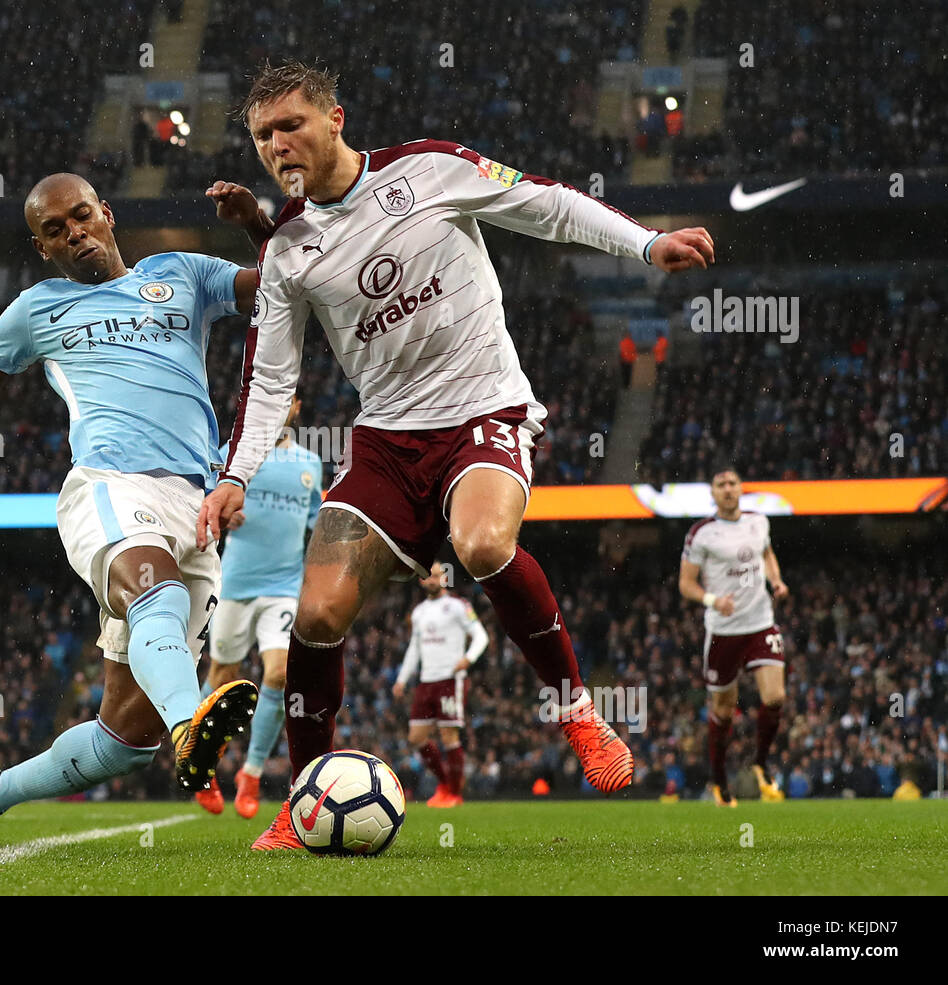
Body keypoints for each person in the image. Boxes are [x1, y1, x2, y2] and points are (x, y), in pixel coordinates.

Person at [197, 61, 716, 849]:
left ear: (336, 119)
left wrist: (648, 245)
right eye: (263, 135)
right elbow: (270, 380)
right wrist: (235, 476)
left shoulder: (430, 168)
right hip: (385, 439)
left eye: (291, 124)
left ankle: (579, 713)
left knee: (481, 543)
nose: (277, 143)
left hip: (484, 410)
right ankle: (305, 802)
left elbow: (547, 205)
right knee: (316, 613)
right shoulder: (289, 252)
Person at [0, 173, 262, 847]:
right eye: (56, 229)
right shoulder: (38, 309)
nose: (75, 233)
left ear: (107, 214)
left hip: (196, 504)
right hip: (111, 486)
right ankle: (191, 725)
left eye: (82, 216)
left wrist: (256, 225)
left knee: (123, 739)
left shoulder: (184, 273)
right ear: (43, 247)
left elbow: (281, 285)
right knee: (155, 591)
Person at [195, 395, 322, 817]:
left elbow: (313, 526)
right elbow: (201, 506)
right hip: (234, 582)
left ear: (296, 408)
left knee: (281, 671)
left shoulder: (309, 463)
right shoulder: (231, 456)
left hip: (283, 586)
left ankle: (250, 774)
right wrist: (220, 516)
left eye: (286, 400)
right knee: (221, 675)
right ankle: (203, 763)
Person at [678, 466, 789, 806]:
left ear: (741, 489)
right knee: (724, 712)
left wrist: (776, 581)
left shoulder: (759, 521)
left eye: (732, 483)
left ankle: (760, 763)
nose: (727, 489)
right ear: (712, 493)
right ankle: (719, 781)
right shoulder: (701, 534)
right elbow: (686, 584)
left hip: (760, 622)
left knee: (774, 698)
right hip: (724, 631)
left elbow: (767, 553)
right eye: (720, 484)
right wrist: (713, 600)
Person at [392, 562, 489, 806]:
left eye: (437, 575)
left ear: (445, 578)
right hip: (426, 681)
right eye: (429, 576)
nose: (433, 580)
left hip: (449, 678)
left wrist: (468, 659)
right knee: (416, 738)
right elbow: (414, 649)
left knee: (449, 736)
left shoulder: (458, 606)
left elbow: (481, 635)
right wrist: (402, 679)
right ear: (422, 581)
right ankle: (445, 782)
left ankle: (454, 793)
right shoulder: (419, 612)